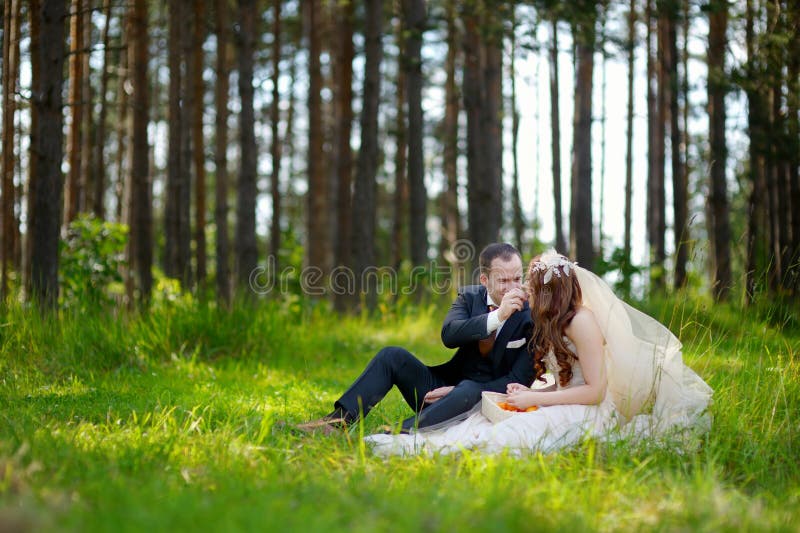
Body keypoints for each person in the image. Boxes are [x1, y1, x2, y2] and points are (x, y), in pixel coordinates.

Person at [365, 250, 713, 455]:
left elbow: (595, 391)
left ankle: (405, 436)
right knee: (490, 427)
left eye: (529, 285)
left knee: (502, 437)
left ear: (548, 293)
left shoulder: (582, 322)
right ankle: (380, 426)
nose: (522, 291)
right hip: (560, 399)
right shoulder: (550, 321)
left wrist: (535, 398)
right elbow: (563, 384)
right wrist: (534, 394)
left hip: (588, 410)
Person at [297, 243, 535, 434]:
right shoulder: (470, 297)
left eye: (517, 279)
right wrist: (497, 317)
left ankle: (395, 432)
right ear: (484, 280)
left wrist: (458, 391)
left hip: (484, 401)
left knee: (469, 389)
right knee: (392, 355)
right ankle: (337, 422)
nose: (512, 288)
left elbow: (518, 379)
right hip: (437, 393)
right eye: (503, 281)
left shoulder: (530, 316)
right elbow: (450, 335)